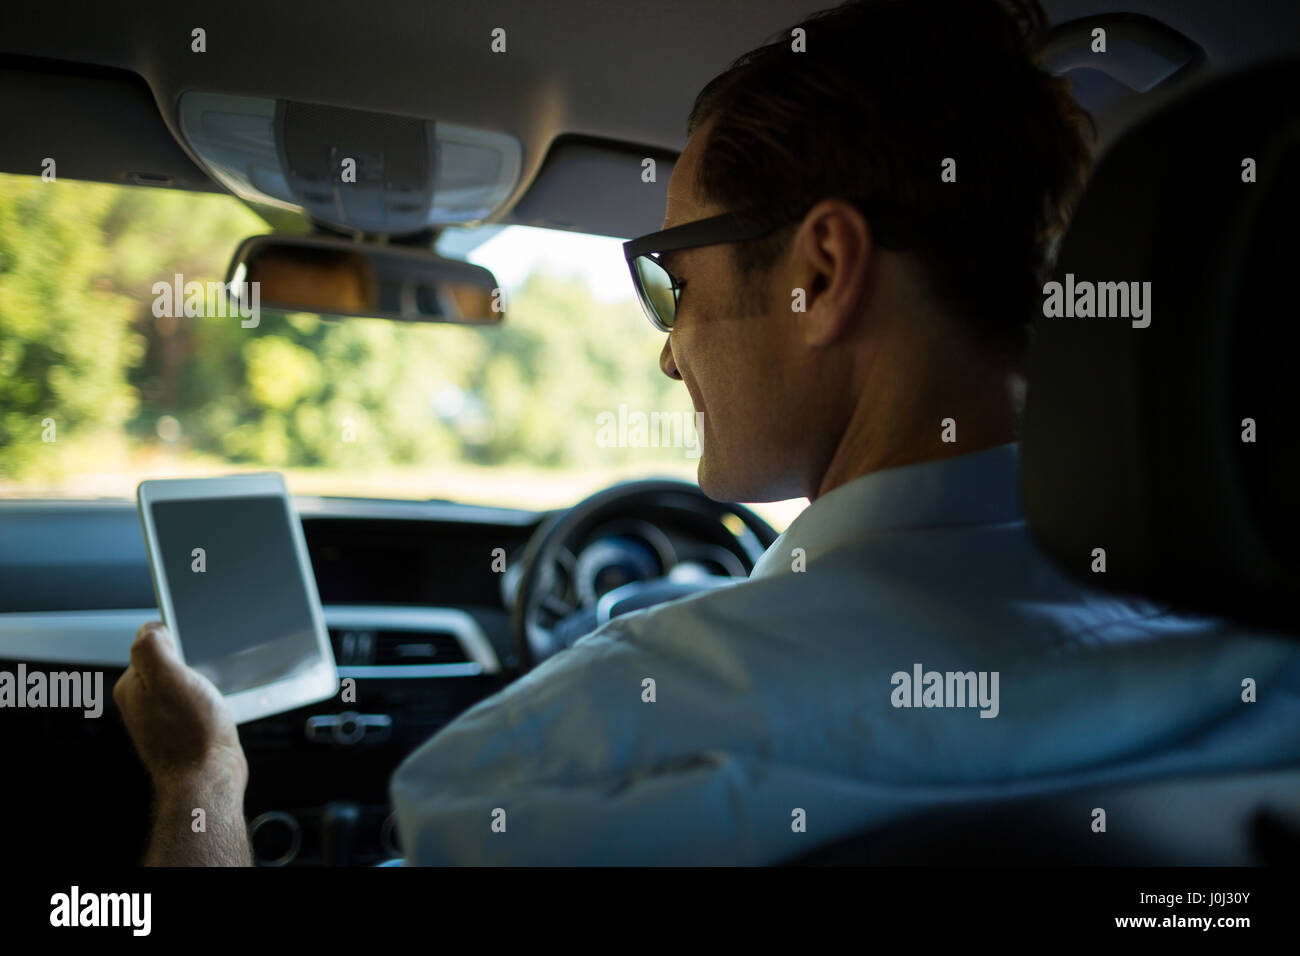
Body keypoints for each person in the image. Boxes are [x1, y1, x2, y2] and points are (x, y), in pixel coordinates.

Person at [114, 0, 1300, 865]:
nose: (667, 348)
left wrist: (201, 777)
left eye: (669, 275)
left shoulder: (557, 757)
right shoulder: (1266, 691)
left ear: (822, 272)